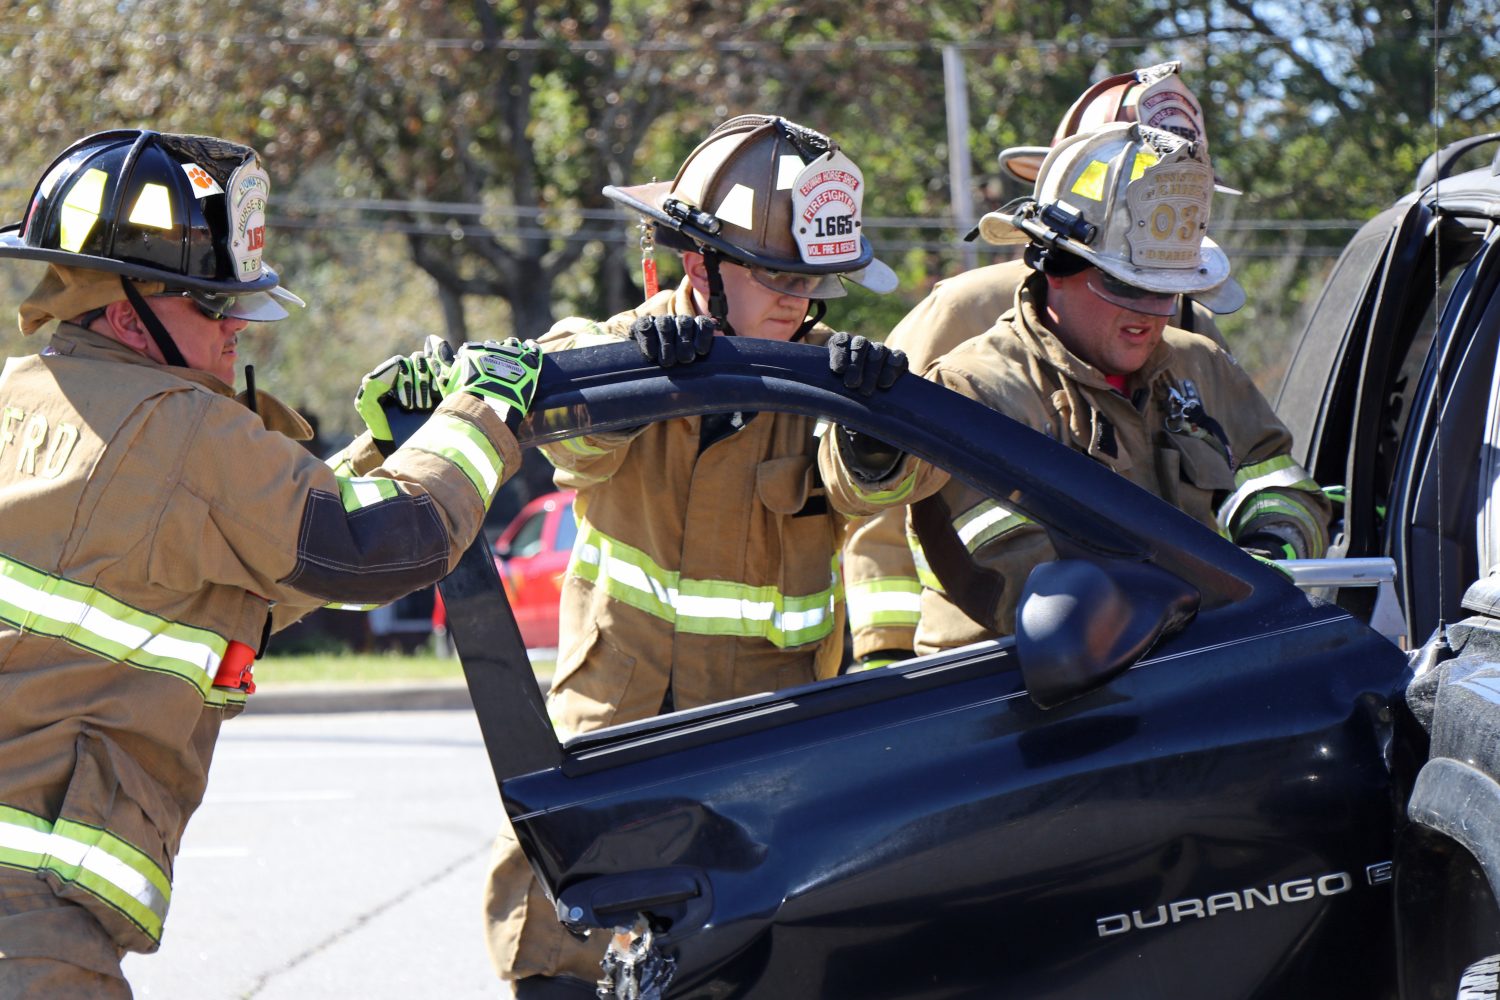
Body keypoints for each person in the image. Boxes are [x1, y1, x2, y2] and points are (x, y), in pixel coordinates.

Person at [0, 129, 543, 998]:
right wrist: (481, 417)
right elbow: (377, 545)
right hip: (25, 928)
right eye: (214, 306)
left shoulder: (23, 399)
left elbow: (240, 573)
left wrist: (378, 451)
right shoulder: (179, 424)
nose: (238, 330)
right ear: (121, 304)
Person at [482, 113, 905, 997]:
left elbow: (873, 487)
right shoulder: (626, 346)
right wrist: (630, 382)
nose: (797, 299)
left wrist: (876, 422)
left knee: (750, 964)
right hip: (618, 713)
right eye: (775, 274)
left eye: (813, 279)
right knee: (554, 936)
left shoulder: (824, 378)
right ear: (698, 264)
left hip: (765, 737)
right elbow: (562, 423)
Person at [822, 121, 1328, 653]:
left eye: (1168, 290)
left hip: (1192, 671)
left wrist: (1272, 552)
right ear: (1054, 264)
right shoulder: (977, 389)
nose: (1151, 315)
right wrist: (870, 435)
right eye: (1125, 285)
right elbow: (1013, 576)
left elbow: (1278, 481)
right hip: (1017, 698)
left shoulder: (1200, 366)